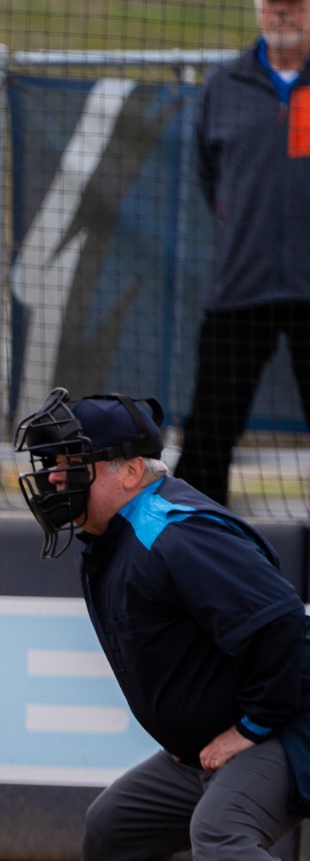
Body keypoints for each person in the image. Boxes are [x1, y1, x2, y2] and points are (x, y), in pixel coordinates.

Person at [15, 387, 310, 861]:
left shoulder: (174, 530)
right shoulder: (113, 533)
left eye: (70, 463)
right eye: (52, 462)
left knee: (223, 827)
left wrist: (252, 727)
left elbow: (281, 624)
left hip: (291, 717)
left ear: (129, 468)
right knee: (115, 830)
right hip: (227, 732)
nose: (54, 478)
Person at [172, 0, 310, 505]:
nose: (282, 13)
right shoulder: (224, 85)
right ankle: (199, 549)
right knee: (209, 433)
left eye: (293, 5)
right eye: (273, 4)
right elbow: (212, 178)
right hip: (240, 287)